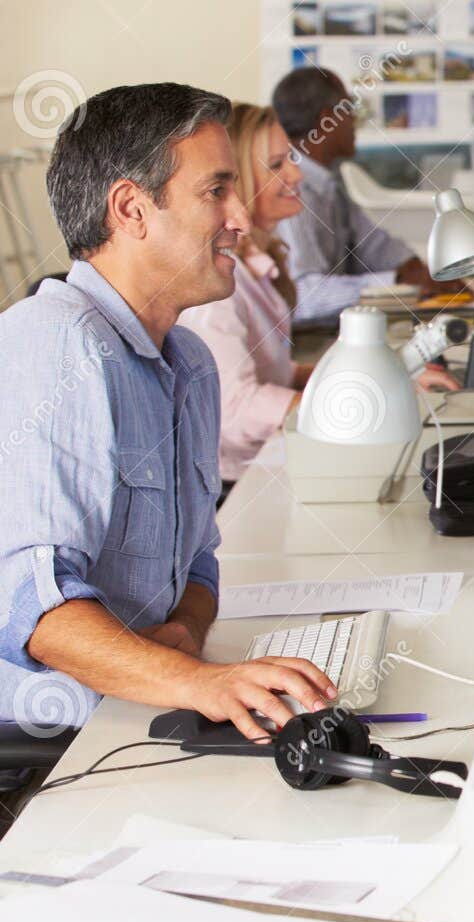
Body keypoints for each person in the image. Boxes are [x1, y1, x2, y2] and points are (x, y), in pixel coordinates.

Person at [0, 83, 336, 745]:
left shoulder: (189, 361)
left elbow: (200, 565)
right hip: (55, 733)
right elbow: (30, 602)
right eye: (216, 191)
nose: (240, 218)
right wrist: (197, 681)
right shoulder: (56, 344)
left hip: (136, 704)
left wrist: (185, 632)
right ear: (131, 209)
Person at [179, 104, 459, 484]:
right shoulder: (222, 287)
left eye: (291, 160)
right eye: (276, 165)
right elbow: (237, 408)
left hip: (273, 460)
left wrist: (376, 381)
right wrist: (348, 402)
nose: (296, 174)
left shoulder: (259, 264)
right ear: (239, 181)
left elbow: (280, 371)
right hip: (239, 483)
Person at [271, 67, 462, 322]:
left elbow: (373, 244)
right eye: (349, 108)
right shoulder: (291, 192)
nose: (355, 120)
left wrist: (415, 269)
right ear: (328, 118)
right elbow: (303, 295)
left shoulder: (329, 184)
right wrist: (397, 280)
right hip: (308, 337)